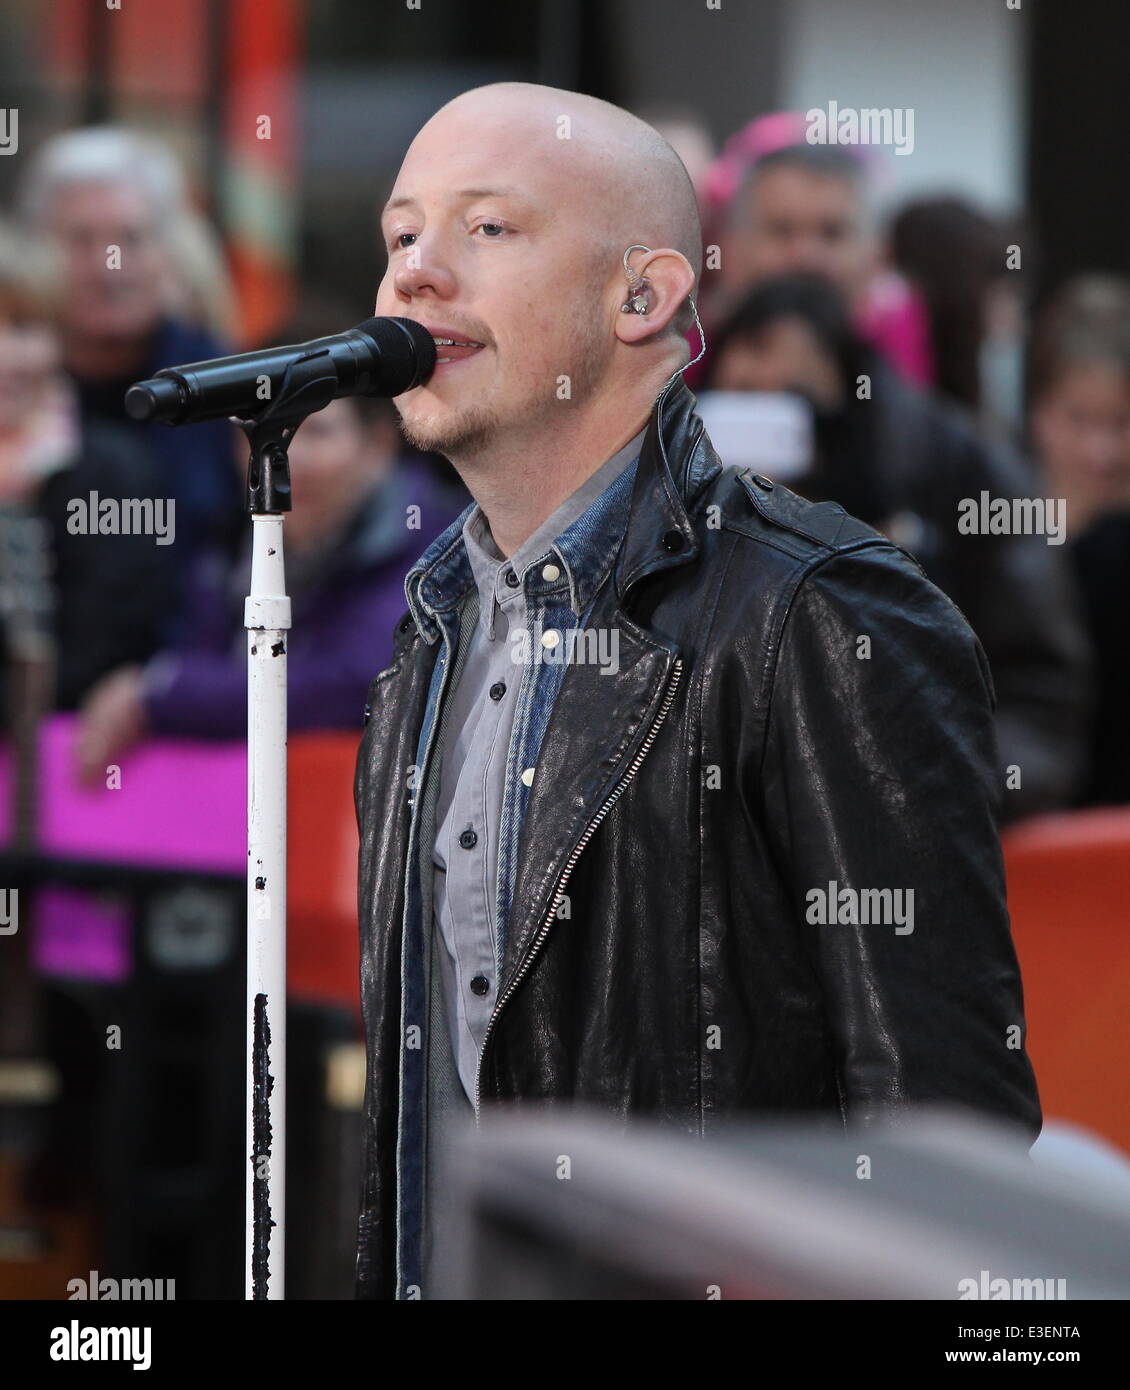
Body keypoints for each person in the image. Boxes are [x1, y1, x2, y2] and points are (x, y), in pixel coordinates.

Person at [353, 82, 1042, 1301]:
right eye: (400, 234)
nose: (415, 273)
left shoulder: (819, 610)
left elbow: (945, 1147)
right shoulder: (433, 628)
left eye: (487, 228)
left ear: (644, 295)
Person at [700, 273, 1093, 824]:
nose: (771, 424)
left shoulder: (952, 473)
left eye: (794, 402)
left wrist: (929, 791)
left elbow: (1036, 697)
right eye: (744, 402)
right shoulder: (671, 502)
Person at [72, 305, 469, 779]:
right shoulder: (229, 543)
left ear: (379, 443)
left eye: (316, 432)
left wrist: (158, 695)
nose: (285, 457)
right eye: (260, 435)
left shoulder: (437, 547)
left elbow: (356, 682)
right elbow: (199, 656)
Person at [18, 127, 244, 588]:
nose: (109, 267)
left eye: (132, 239)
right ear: (37, 253)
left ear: (167, 250)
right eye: (80, 240)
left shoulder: (224, 387)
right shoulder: (13, 388)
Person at [0, 223, 173, 718]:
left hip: (71, 768)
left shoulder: (117, 473)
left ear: (60, 339)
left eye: (24, 330)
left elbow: (114, 643)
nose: (6, 357)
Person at [1028, 276, 1130, 805]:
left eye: (1121, 422)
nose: (1102, 451)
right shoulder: (999, 541)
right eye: (1078, 418)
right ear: (1038, 414)